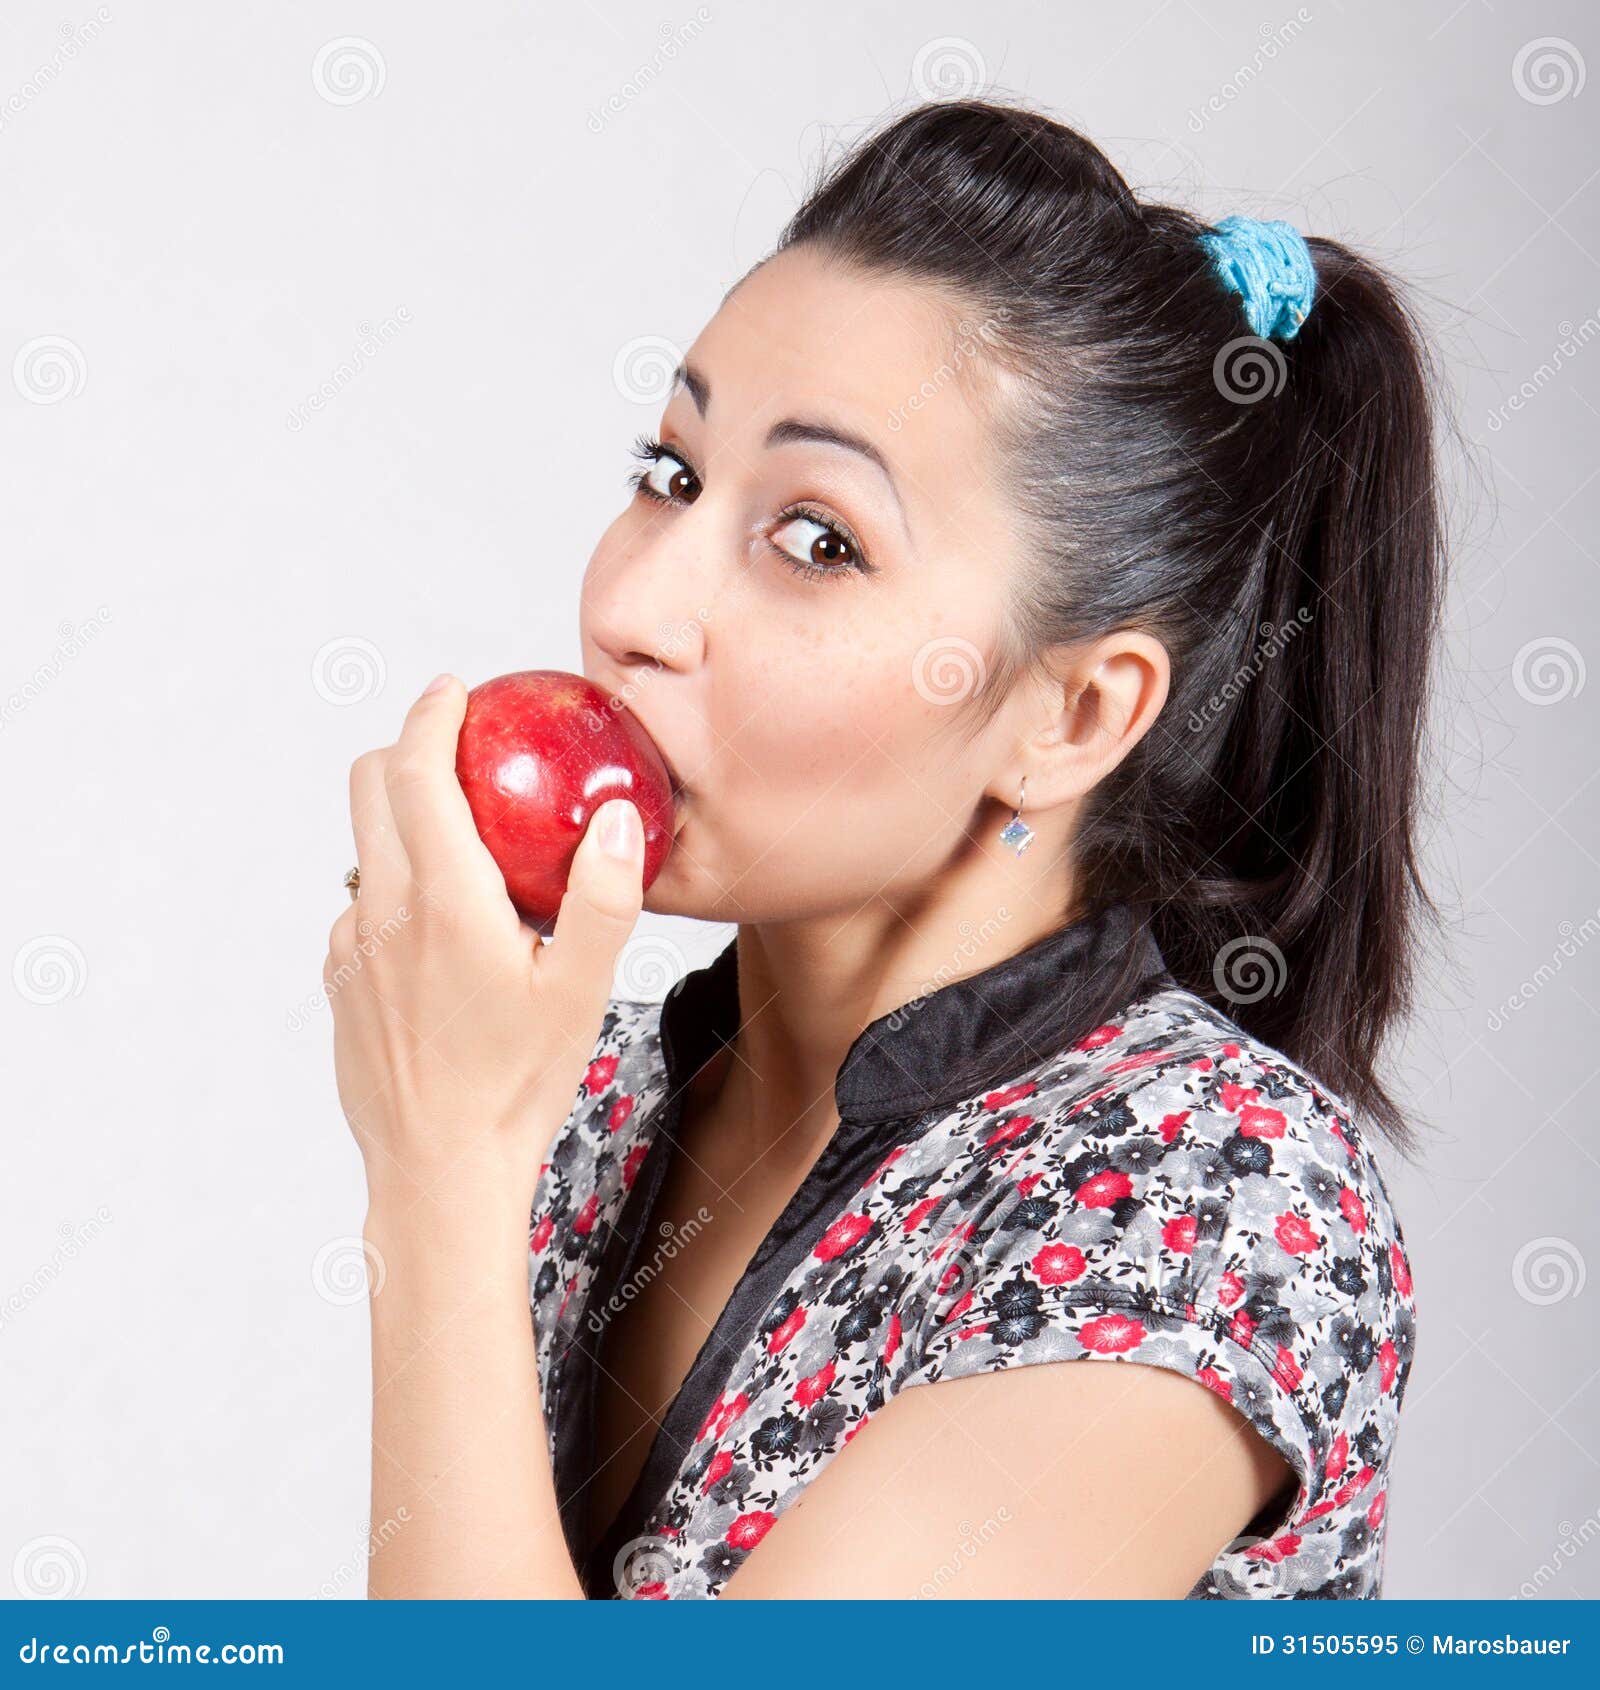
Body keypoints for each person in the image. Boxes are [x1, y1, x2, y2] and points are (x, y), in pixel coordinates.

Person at [326, 97, 1440, 1599]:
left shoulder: (1206, 1204)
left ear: (1073, 712)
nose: (637, 606)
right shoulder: (594, 1104)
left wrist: (440, 1173)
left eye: (817, 538)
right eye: (672, 473)